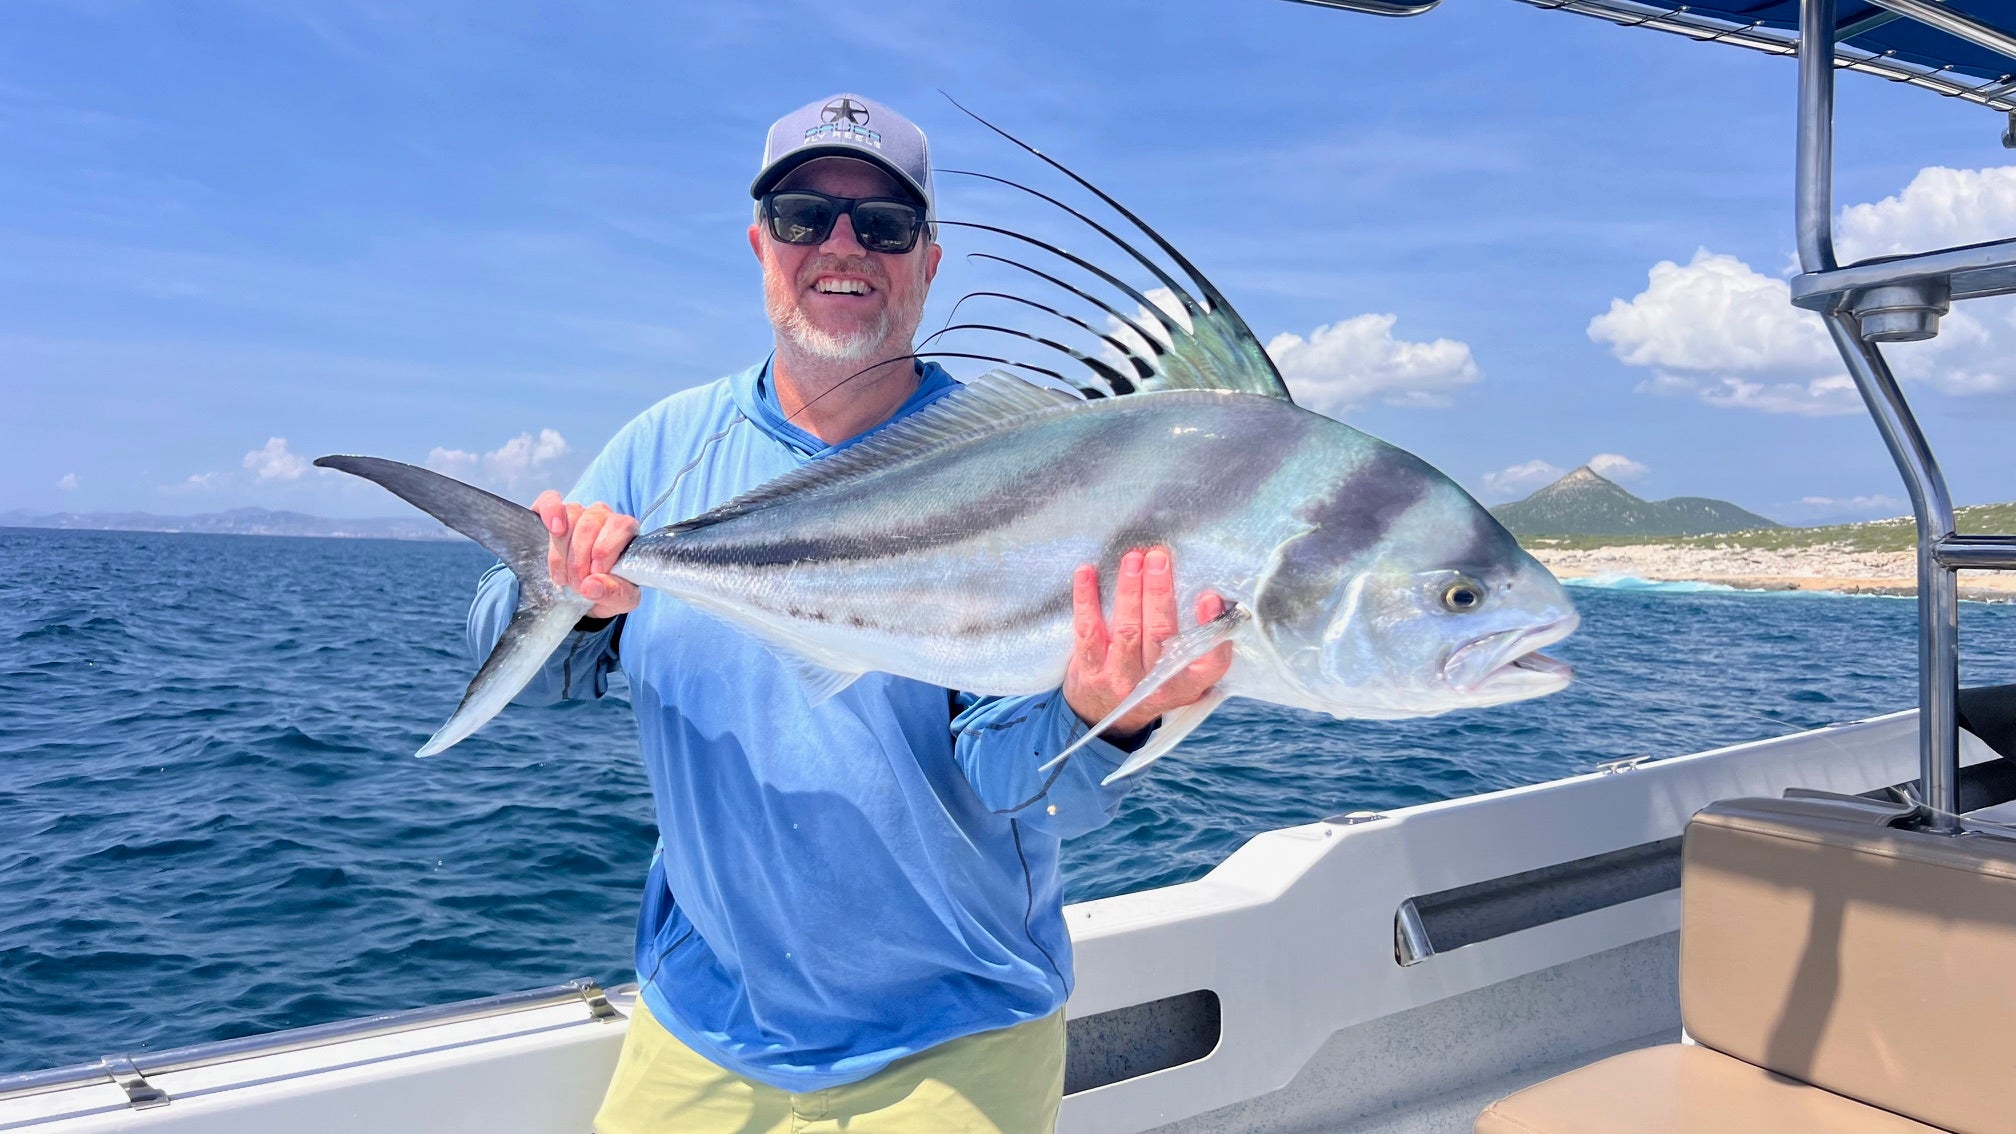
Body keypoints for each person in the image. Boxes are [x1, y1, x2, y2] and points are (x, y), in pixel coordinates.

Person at [468, 93, 1231, 1134]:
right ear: (759, 244)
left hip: (951, 1036)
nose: (841, 246)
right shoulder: (664, 448)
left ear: (929, 261)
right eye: (802, 216)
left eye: (883, 224)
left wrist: (1109, 714)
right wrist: (580, 603)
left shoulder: (1016, 459)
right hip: (703, 1018)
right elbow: (521, 667)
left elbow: (1009, 781)